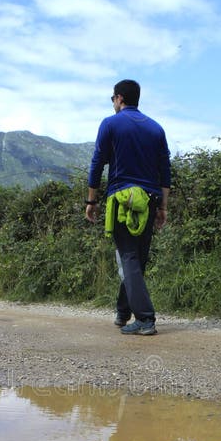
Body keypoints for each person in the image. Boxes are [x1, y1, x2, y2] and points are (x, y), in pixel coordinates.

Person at [85, 79, 171, 336]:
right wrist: (163, 207)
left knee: (129, 257)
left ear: (119, 98)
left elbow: (98, 163)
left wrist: (91, 200)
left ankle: (145, 318)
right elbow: (165, 171)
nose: (112, 103)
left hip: (121, 198)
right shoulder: (156, 129)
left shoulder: (110, 124)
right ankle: (124, 311)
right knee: (137, 258)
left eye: (112, 99)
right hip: (150, 198)